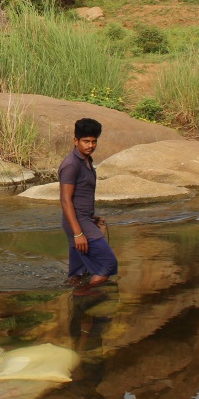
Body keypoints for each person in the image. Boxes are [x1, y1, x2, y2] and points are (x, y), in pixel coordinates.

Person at [58, 118, 118, 293]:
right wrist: (78, 233)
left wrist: (94, 218)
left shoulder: (87, 161)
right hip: (78, 223)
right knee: (107, 264)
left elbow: (80, 197)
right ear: (76, 141)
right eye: (85, 141)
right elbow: (65, 200)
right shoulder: (71, 165)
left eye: (93, 141)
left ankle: (78, 313)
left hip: (83, 220)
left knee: (78, 272)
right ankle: (84, 295)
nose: (90, 145)